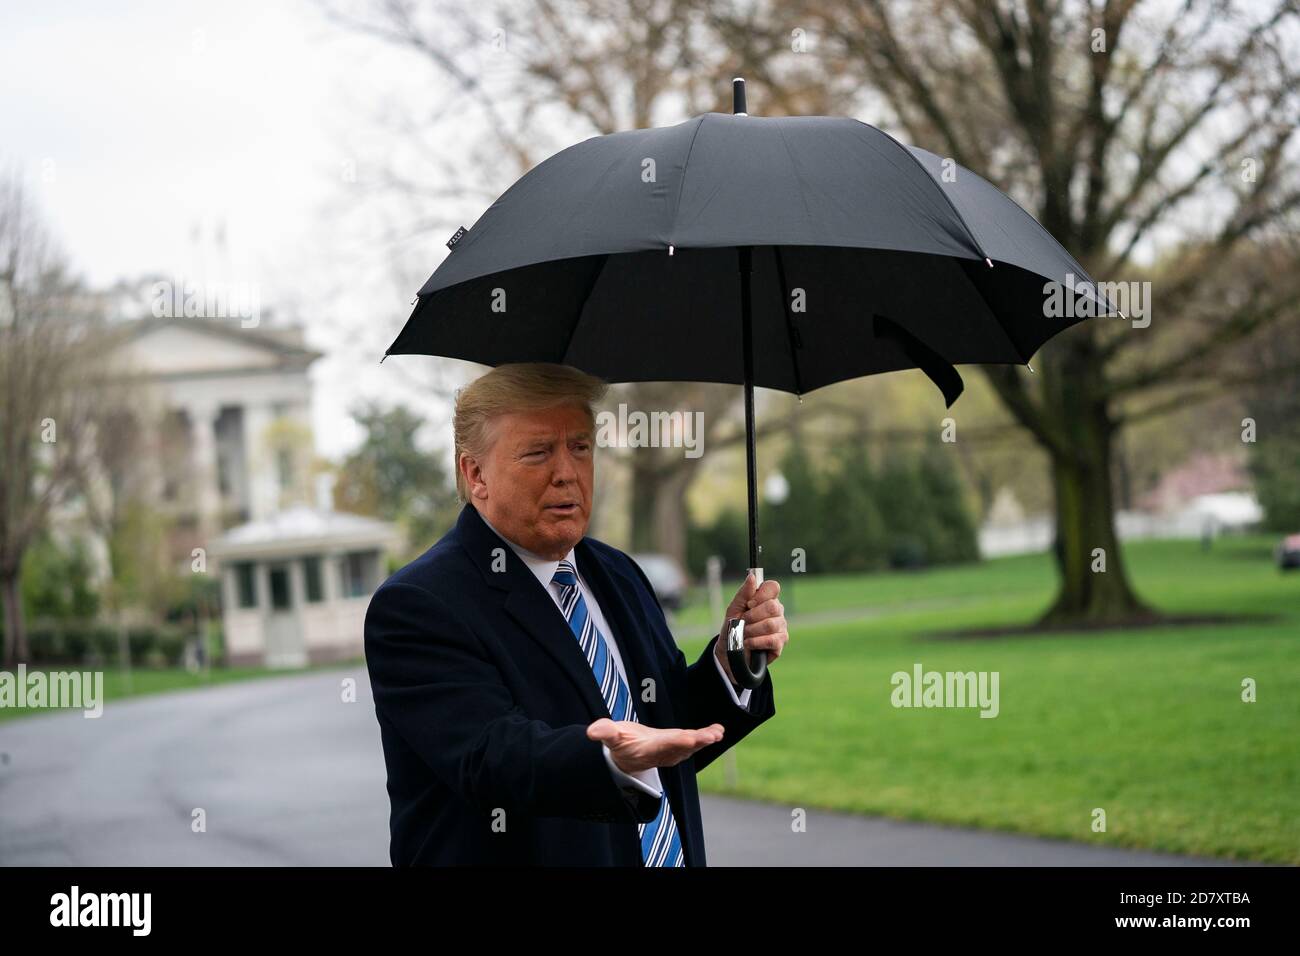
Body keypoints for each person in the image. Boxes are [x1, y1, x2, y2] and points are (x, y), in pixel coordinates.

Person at [364, 362, 787, 866]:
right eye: (539, 452)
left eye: (580, 447)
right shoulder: (419, 604)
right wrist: (606, 758)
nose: (566, 472)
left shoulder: (619, 574)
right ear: (474, 474)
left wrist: (734, 660)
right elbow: (495, 757)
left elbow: (665, 730)